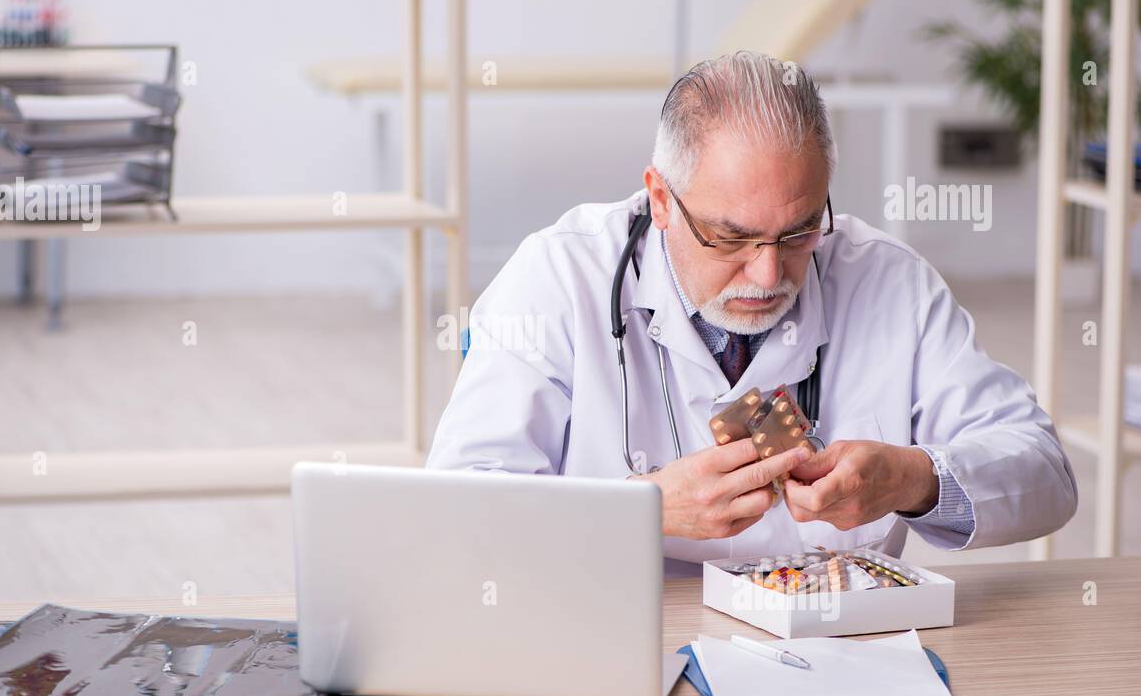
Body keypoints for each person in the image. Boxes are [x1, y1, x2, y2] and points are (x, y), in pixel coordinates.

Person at [427, 51, 1077, 575]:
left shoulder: (887, 279)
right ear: (659, 197)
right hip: (616, 633)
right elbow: (457, 512)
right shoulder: (557, 277)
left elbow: (1043, 469)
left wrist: (913, 477)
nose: (768, 275)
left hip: (841, 647)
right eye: (731, 238)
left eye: (798, 232)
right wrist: (641, 509)